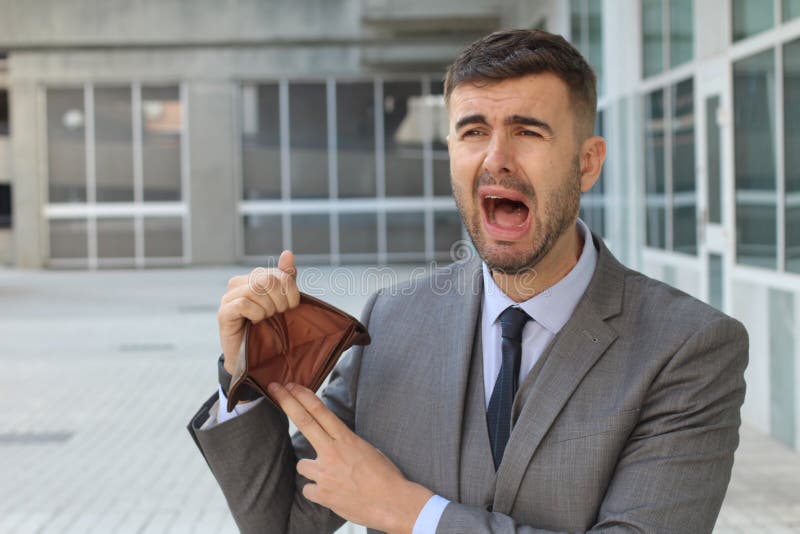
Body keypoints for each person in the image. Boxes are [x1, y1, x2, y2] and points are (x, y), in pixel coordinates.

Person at [188, 29, 748, 534]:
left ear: (587, 163)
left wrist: (410, 512)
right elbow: (283, 522)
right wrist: (246, 371)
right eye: (473, 131)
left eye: (528, 131)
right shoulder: (390, 320)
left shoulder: (690, 349)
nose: (495, 159)